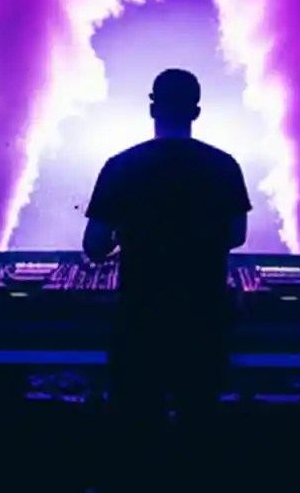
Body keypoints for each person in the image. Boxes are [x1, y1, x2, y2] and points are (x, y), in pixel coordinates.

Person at [82, 68, 251, 488]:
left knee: (136, 432)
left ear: (152, 107)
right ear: (197, 110)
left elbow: (95, 246)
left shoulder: (121, 166)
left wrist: (130, 236)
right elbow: (236, 236)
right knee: (200, 425)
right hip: (204, 320)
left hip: (140, 320)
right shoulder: (224, 166)